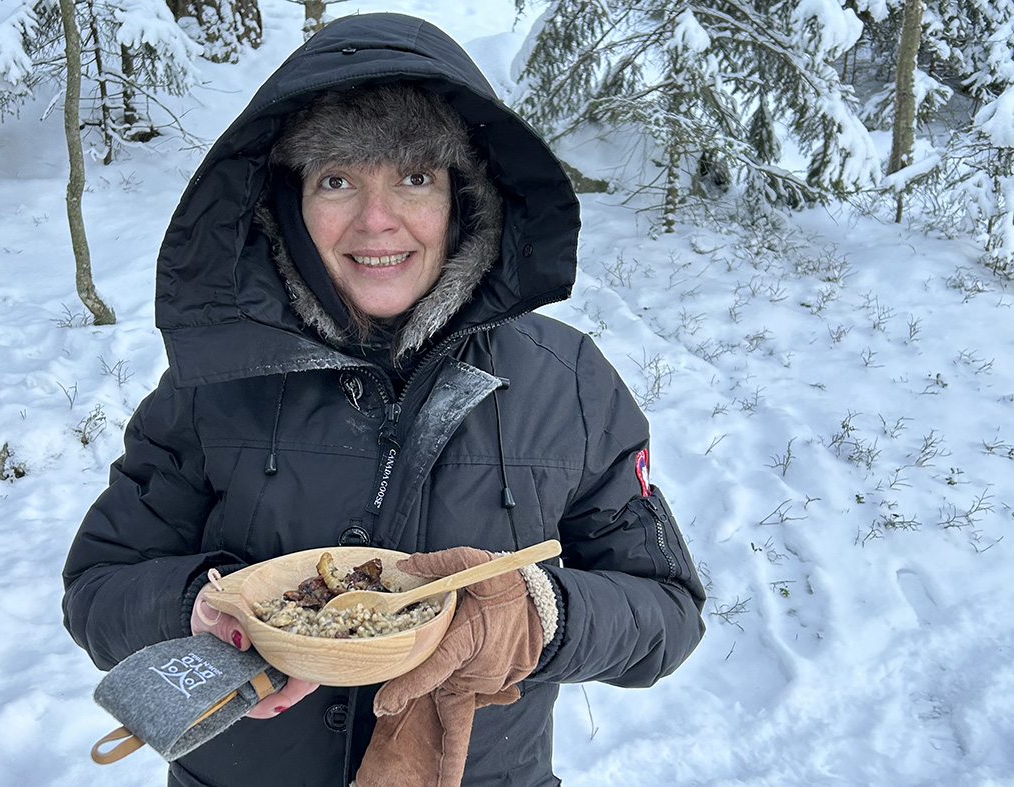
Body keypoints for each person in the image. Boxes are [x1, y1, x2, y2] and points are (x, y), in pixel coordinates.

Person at [62, 12, 706, 787]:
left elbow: (665, 609)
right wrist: (195, 607)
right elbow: (100, 585)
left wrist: (539, 614)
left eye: (413, 177)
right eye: (337, 180)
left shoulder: (565, 380)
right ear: (289, 202)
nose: (377, 221)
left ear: (463, 197)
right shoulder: (215, 380)